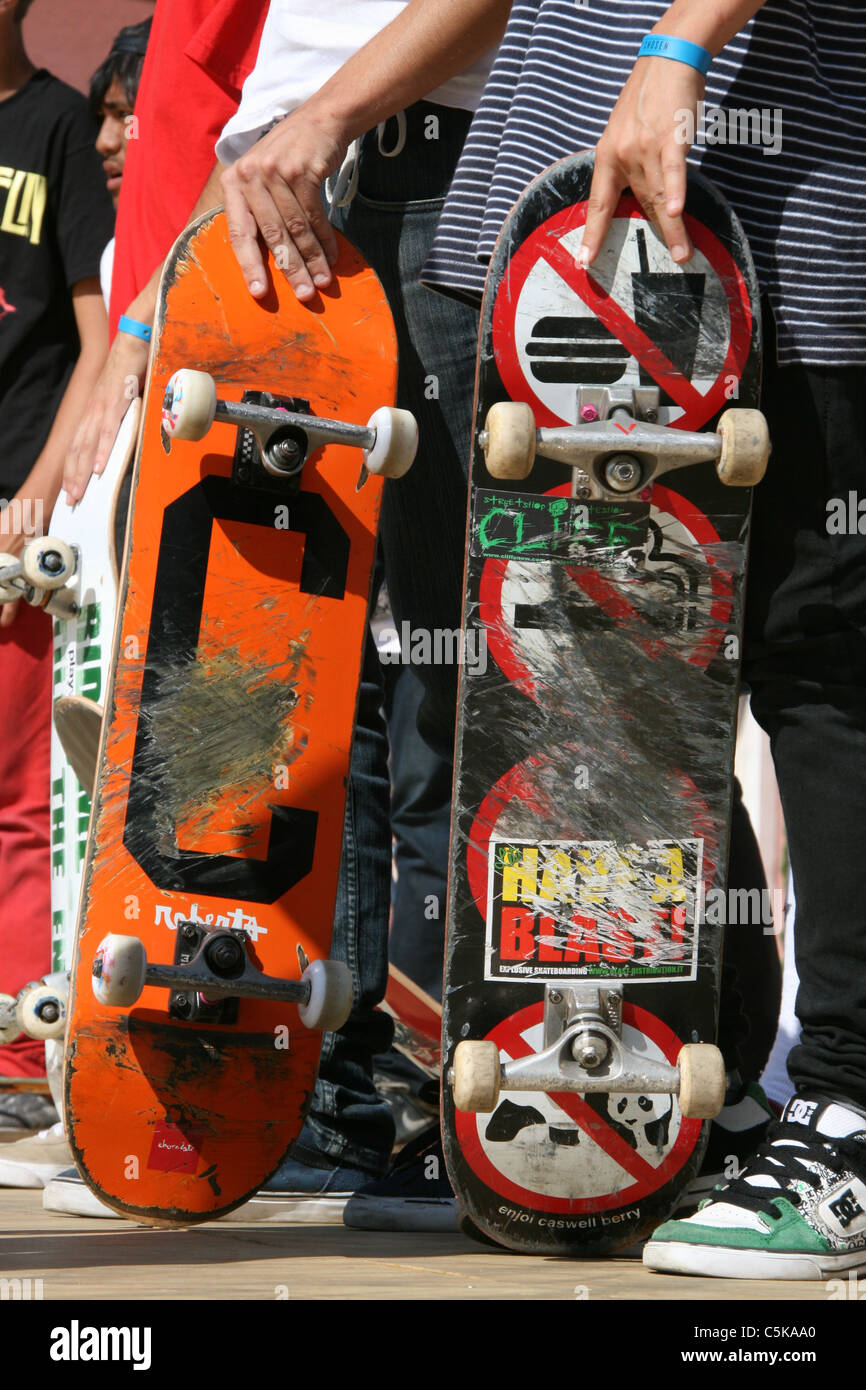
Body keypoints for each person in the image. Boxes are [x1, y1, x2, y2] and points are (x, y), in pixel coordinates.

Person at [422, 0, 866, 1279]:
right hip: (557, 219)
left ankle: (841, 1106)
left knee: (820, 669)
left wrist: (677, 46)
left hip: (779, 204)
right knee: (588, 691)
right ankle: (706, 1087)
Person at [0, 0, 112, 1127]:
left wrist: (37, 484)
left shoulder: (57, 127)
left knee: (14, 797)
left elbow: (96, 330)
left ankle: (19, 1058)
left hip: (8, 515)